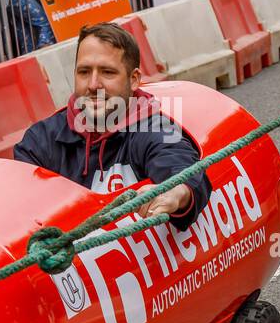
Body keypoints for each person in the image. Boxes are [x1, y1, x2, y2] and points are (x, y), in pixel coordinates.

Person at [14, 22, 211, 225]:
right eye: (84, 72)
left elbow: (183, 169)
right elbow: (16, 207)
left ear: (134, 79)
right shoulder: (40, 139)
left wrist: (175, 192)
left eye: (107, 72)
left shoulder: (154, 130)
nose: (93, 85)